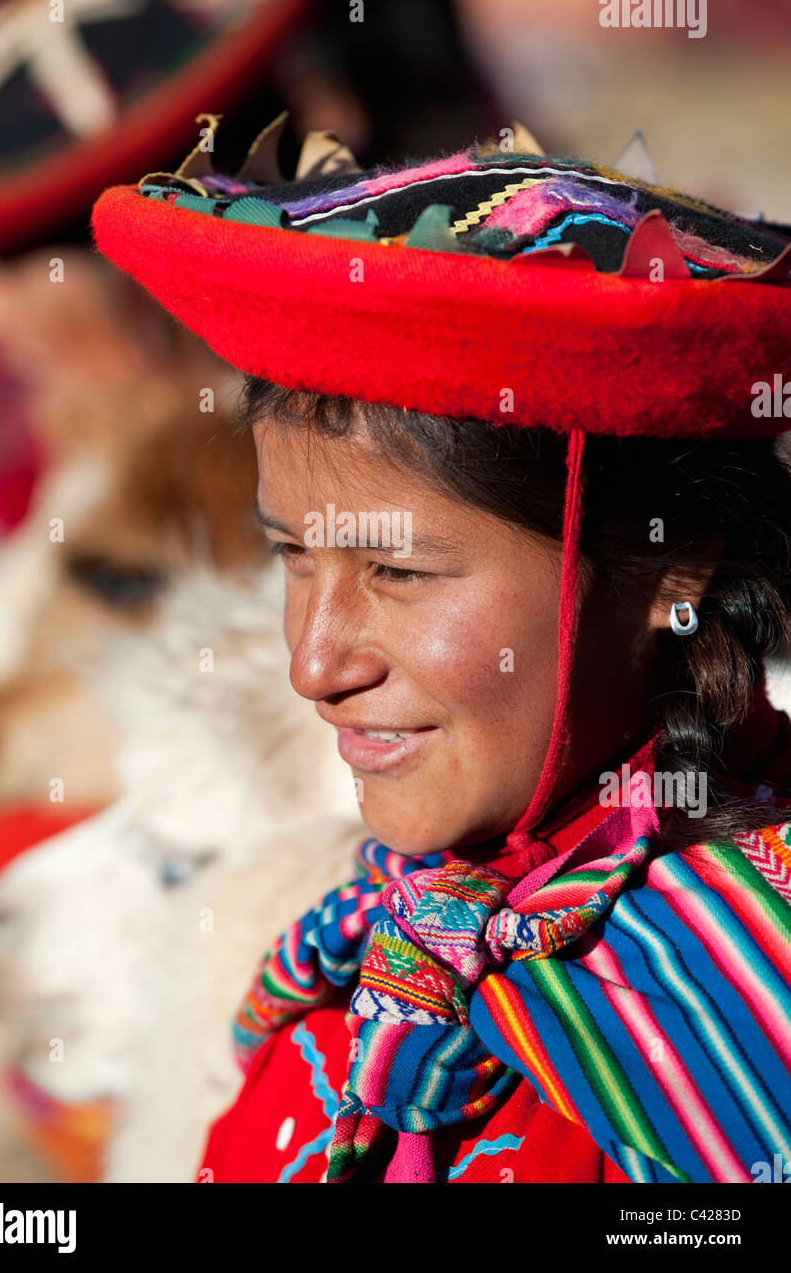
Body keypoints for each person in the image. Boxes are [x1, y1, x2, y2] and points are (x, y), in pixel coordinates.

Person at [93, 125, 791, 1183]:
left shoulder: (748, 1027)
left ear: (669, 572)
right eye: (290, 555)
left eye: (399, 574)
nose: (313, 667)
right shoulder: (354, 971)